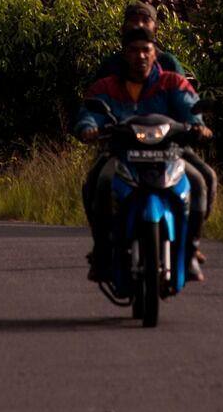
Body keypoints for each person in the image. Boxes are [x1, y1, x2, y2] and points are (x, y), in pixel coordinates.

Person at [75, 27, 212, 282]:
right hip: (121, 155)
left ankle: (191, 251)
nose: (140, 56)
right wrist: (88, 127)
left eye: (145, 50)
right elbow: (90, 112)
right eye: (134, 51)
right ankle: (103, 252)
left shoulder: (172, 82)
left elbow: (190, 108)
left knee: (199, 183)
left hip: (169, 155)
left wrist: (198, 126)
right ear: (124, 55)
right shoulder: (107, 86)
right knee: (98, 182)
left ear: (154, 53)